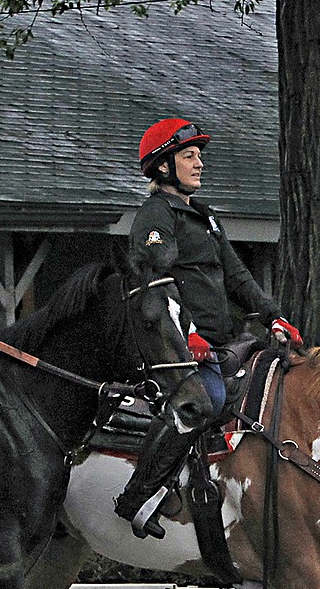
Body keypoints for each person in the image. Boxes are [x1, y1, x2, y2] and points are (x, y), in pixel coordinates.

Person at [113, 118, 303, 539]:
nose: (200, 163)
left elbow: (236, 276)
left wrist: (274, 315)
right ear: (164, 166)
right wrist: (190, 334)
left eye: (200, 155)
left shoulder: (204, 215)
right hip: (175, 346)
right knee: (209, 398)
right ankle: (139, 495)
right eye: (189, 155)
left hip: (219, 341)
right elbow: (154, 286)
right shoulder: (156, 216)